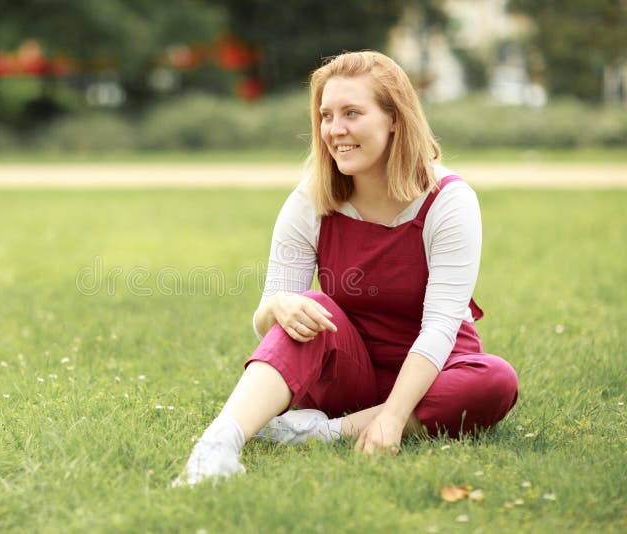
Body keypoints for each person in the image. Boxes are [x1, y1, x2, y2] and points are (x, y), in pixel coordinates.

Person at [173, 50, 519, 487]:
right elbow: (266, 323)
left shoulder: (448, 200)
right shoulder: (310, 200)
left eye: (352, 113)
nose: (335, 130)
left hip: (435, 374)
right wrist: (280, 304)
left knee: (495, 380)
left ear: (394, 118)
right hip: (348, 373)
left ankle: (322, 432)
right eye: (326, 115)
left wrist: (392, 418)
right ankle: (218, 442)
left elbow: (440, 326)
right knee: (308, 305)